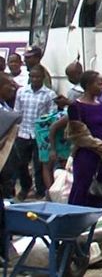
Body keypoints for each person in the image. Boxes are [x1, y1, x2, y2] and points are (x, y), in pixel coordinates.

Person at [49, 70, 102, 207]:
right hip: (86, 155)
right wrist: (100, 146)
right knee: (83, 186)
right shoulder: (76, 107)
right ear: (88, 85)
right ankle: (77, 216)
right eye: (99, 84)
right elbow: (79, 134)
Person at [12, 65, 56, 199]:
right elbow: (17, 112)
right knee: (21, 163)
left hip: (40, 135)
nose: (35, 79)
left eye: (38, 77)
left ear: (43, 78)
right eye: (32, 76)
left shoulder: (49, 94)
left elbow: (52, 115)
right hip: (23, 132)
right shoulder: (21, 92)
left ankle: (40, 190)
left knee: (39, 164)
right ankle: (25, 187)